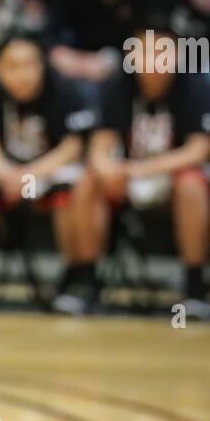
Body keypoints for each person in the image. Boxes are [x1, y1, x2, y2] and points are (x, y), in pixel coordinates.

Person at [0, 33, 97, 311]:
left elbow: (73, 147)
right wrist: (4, 173)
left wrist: (31, 174)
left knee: (75, 187)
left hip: (51, 169)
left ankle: (76, 275)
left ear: (42, 65)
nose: (22, 74)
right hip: (10, 173)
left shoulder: (63, 89)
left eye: (29, 65)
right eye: (12, 66)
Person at [87, 22, 210, 320]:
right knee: (87, 182)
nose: (154, 60)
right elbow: (100, 144)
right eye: (145, 51)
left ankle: (194, 286)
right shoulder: (118, 85)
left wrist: (141, 170)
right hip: (129, 177)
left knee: (191, 185)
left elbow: (199, 149)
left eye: (163, 52)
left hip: (173, 175)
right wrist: (105, 169)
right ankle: (83, 280)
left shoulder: (194, 86)